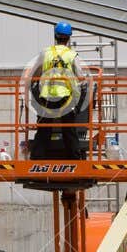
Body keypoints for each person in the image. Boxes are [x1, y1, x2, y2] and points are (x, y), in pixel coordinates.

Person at [30, 21, 89, 161]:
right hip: (66, 98)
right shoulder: (72, 55)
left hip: (47, 97)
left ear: (55, 36)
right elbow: (81, 77)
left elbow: (35, 73)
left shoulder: (46, 53)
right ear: (69, 38)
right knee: (69, 129)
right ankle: (74, 159)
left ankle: (37, 158)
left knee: (44, 129)